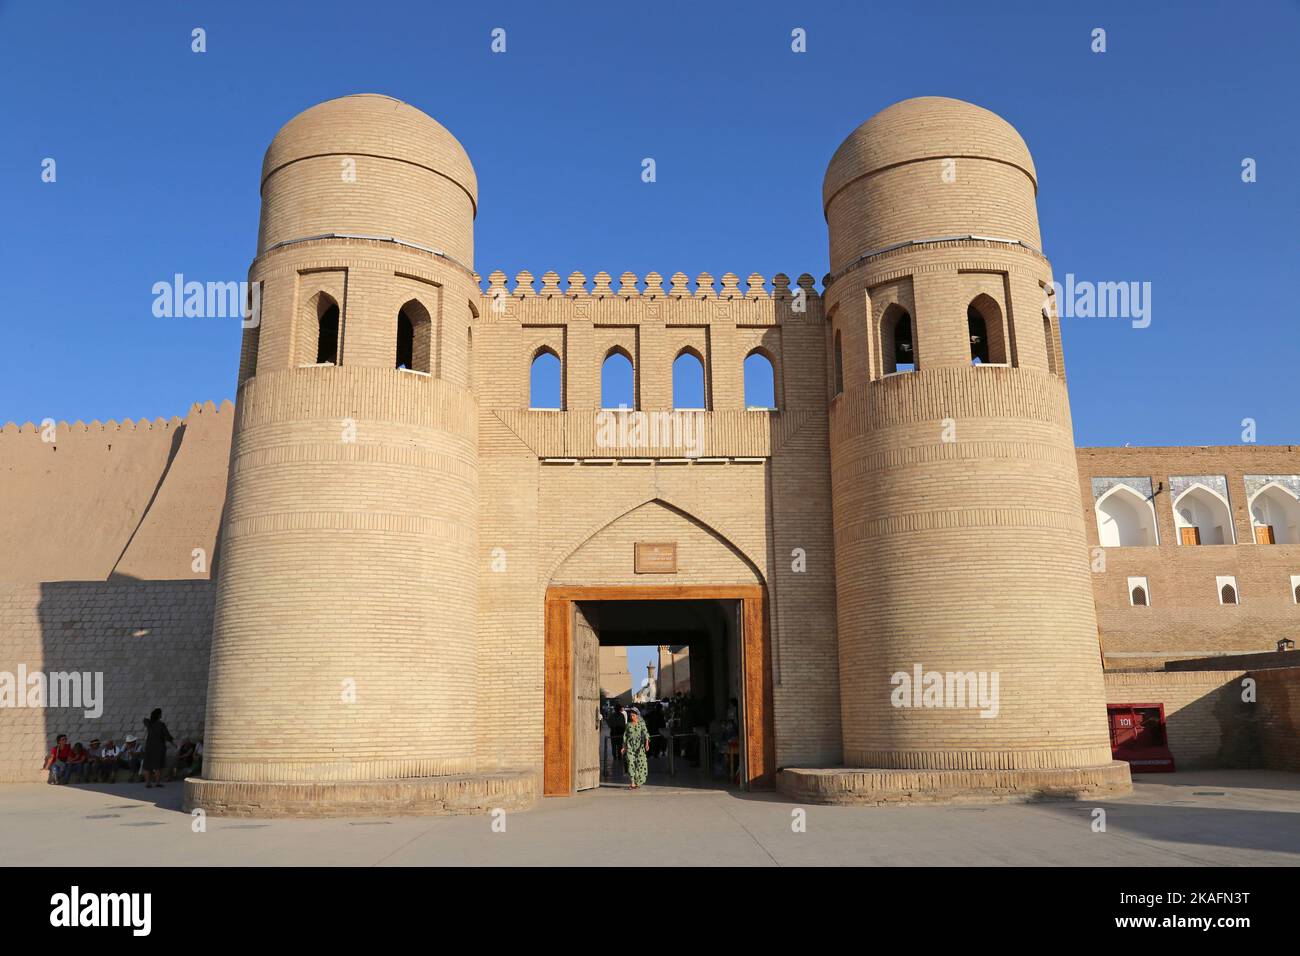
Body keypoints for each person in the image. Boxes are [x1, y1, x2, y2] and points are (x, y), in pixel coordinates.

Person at [141, 707, 175, 788]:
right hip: (159, 747)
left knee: (147, 765)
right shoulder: (161, 725)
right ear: (159, 715)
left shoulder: (149, 723)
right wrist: (173, 743)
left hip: (149, 747)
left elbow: (144, 720)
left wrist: (151, 718)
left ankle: (148, 783)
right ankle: (157, 782)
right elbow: (167, 736)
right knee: (158, 766)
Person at [621, 709, 650, 789]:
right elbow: (625, 736)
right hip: (630, 747)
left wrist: (647, 743)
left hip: (639, 747)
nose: (632, 717)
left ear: (637, 715)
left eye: (633, 715)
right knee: (630, 763)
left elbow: (646, 733)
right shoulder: (628, 725)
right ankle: (632, 782)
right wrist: (624, 747)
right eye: (630, 716)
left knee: (639, 764)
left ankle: (638, 782)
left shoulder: (641, 724)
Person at [606, 704, 626, 778]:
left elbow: (623, 724)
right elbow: (609, 723)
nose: (617, 709)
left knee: (619, 745)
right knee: (614, 745)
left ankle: (619, 756)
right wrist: (613, 727)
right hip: (614, 731)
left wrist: (622, 730)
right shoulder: (612, 715)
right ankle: (615, 756)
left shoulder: (621, 715)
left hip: (619, 732)